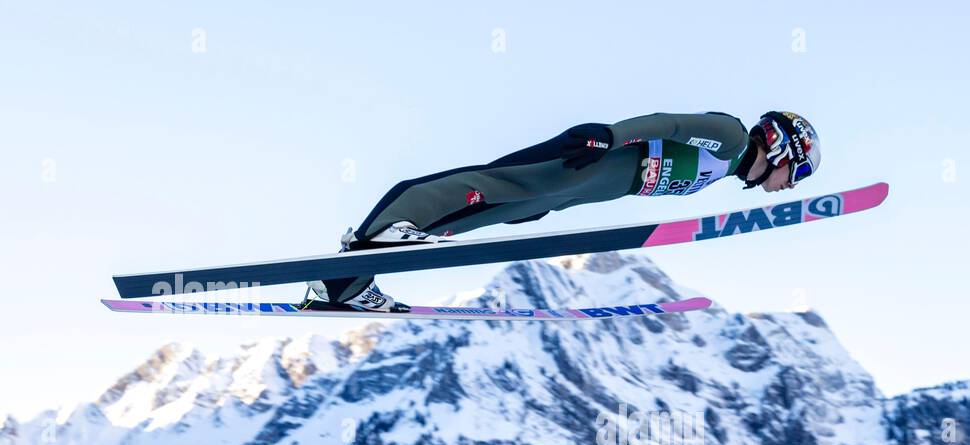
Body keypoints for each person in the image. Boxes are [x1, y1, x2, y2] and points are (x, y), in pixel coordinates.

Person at [304, 110, 822, 311]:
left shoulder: (726, 171)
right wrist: (610, 136)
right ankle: (379, 234)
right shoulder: (731, 139)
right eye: (794, 173)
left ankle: (345, 283)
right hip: (591, 158)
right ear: (779, 149)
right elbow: (670, 125)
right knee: (491, 185)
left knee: (505, 212)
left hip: (587, 189)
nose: (786, 186)